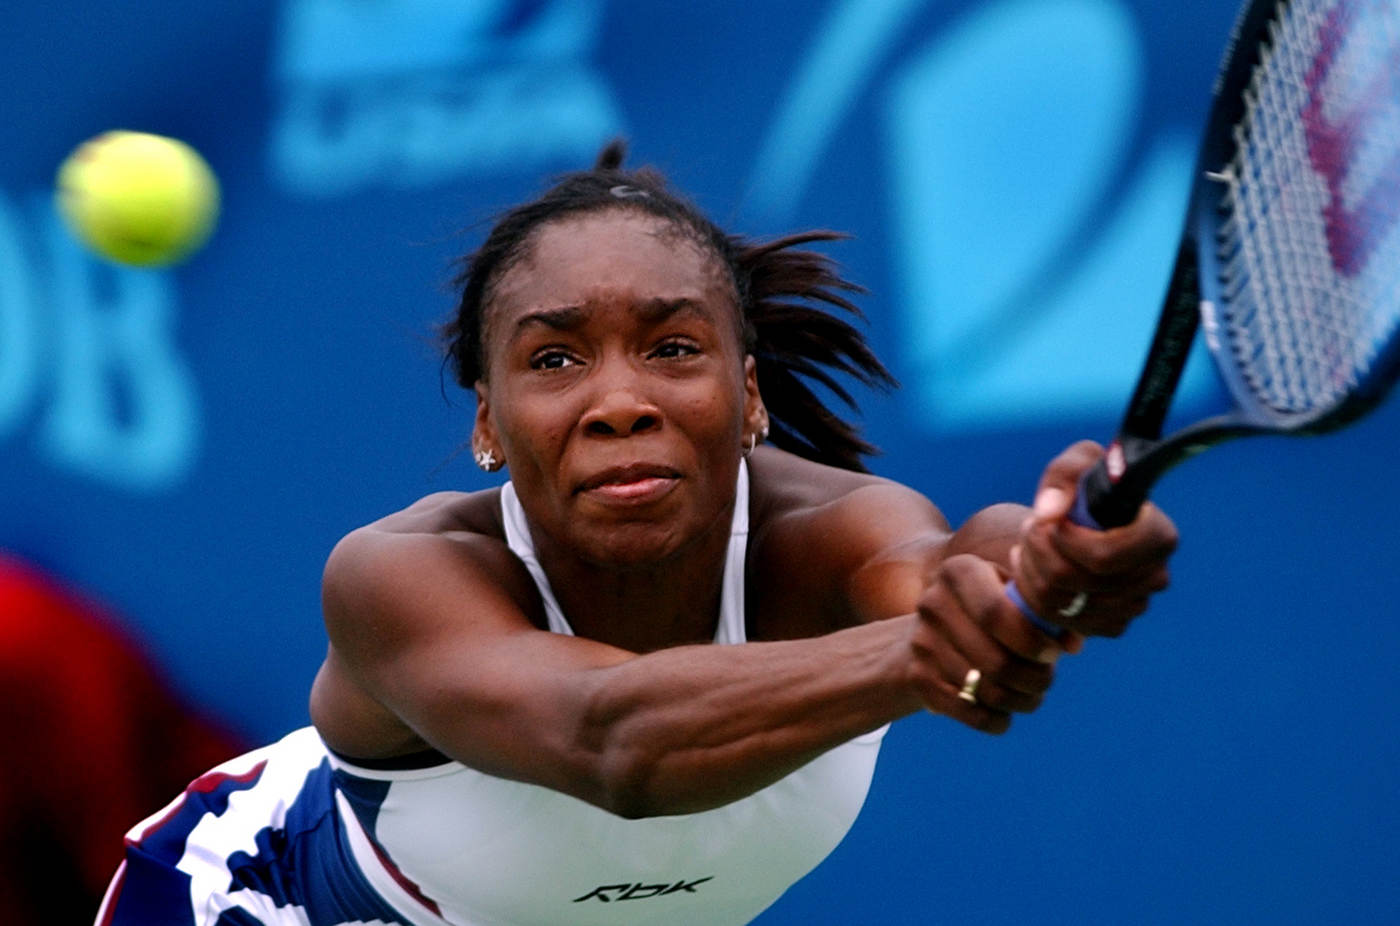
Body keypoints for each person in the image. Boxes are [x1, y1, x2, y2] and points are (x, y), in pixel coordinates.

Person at [95, 142, 1177, 926]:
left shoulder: (832, 535)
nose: (618, 400)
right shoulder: (398, 577)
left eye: (670, 347)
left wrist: (1042, 568)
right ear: (487, 421)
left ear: (747, 396)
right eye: (555, 359)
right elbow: (613, 740)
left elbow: (950, 565)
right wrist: (935, 650)